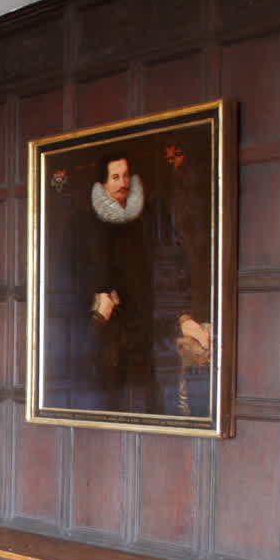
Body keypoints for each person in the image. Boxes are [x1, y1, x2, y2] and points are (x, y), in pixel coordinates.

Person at [64, 153, 211, 415]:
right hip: (101, 338)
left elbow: (158, 283)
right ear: (103, 183)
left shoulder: (144, 223)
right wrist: (96, 307)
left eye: (126, 176)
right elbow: (69, 281)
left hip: (141, 338)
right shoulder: (82, 225)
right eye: (115, 177)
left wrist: (181, 319)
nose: (123, 183)